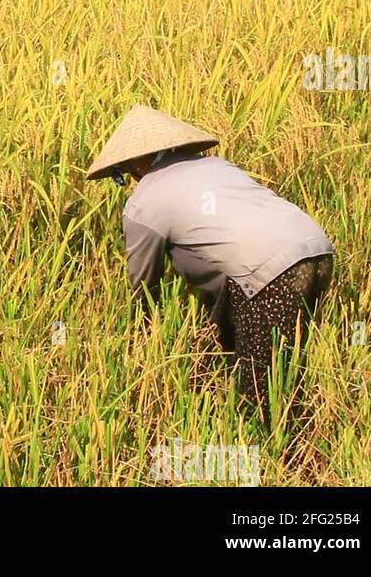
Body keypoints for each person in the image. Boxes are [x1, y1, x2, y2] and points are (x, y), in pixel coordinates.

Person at [85, 105, 334, 408]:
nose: (129, 180)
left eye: (122, 174)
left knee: (260, 394)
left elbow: (144, 285)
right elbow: (222, 248)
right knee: (287, 363)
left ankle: (275, 451)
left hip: (269, 273)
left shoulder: (144, 203)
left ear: (137, 162)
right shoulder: (218, 167)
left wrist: (139, 335)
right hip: (316, 248)